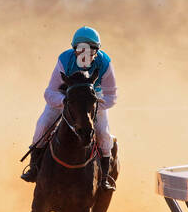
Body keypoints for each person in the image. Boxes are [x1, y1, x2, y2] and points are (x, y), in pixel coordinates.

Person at [21, 26, 117, 190]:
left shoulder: (105, 63)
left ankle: (104, 178)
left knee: (104, 133)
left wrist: (94, 104)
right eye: (81, 50)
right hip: (65, 98)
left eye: (90, 50)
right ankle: (34, 167)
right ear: (74, 50)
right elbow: (50, 92)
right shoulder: (65, 60)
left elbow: (112, 95)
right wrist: (65, 101)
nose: (85, 54)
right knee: (43, 124)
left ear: (97, 50)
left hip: (92, 101)